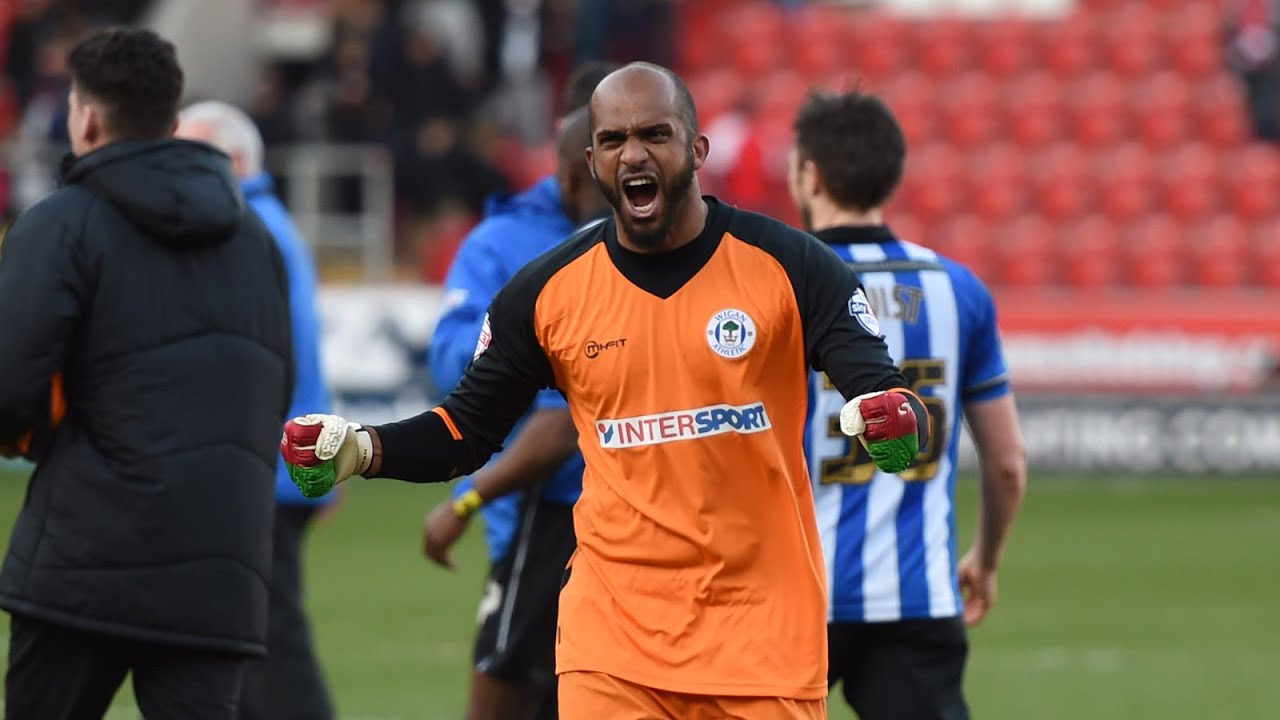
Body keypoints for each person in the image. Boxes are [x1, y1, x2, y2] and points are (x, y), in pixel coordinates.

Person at [280, 62, 929, 720]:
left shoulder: (793, 267)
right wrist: (361, 449)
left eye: (655, 134)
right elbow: (466, 430)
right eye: (614, 140)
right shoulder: (545, 293)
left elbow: (887, 398)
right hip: (611, 647)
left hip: (760, 644)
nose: (634, 153)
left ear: (696, 150)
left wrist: (890, 426)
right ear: (591, 161)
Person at [0, 28, 292, 719]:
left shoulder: (62, 223)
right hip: (222, 568)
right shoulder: (255, 238)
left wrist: (42, 441)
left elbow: (8, 387)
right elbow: (274, 387)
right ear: (169, 119)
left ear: (87, 117)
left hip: (85, 562)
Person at [788, 89, 1028, 720]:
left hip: (791, 595)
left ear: (809, 173)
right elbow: (1007, 465)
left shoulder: (774, 284)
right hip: (918, 596)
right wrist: (987, 558)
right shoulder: (958, 289)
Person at [421, 60, 616, 720]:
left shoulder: (666, 244)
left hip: (634, 515)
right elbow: (452, 357)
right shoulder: (503, 241)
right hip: (542, 505)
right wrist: (538, 362)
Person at [174, 100, 337, 720]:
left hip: (256, 467)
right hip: (272, 462)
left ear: (236, 160)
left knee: (269, 645)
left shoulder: (247, 232)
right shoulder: (267, 227)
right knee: (243, 641)